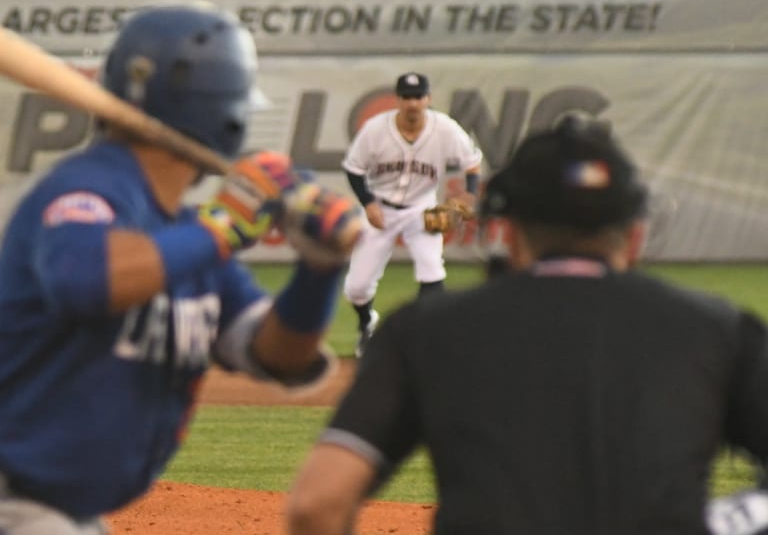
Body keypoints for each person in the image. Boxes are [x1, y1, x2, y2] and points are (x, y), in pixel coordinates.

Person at [0, 1, 363, 534]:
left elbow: (277, 357)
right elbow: (86, 280)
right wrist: (227, 224)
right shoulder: (88, 188)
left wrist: (319, 271)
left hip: (59, 513)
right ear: (225, 112)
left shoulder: (187, 236)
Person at [288, 116, 768, 535]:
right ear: (636, 236)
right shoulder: (718, 330)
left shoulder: (424, 332)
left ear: (507, 234)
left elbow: (317, 507)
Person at [341, 71, 482, 356]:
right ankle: (367, 322)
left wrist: (469, 193)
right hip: (380, 208)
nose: (413, 103)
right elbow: (354, 169)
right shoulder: (375, 130)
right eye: (407, 97)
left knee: (432, 271)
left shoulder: (445, 129)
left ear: (428, 99)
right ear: (398, 100)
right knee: (356, 288)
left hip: (421, 208)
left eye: (418, 97)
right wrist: (368, 203)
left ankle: (426, 337)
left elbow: (472, 162)